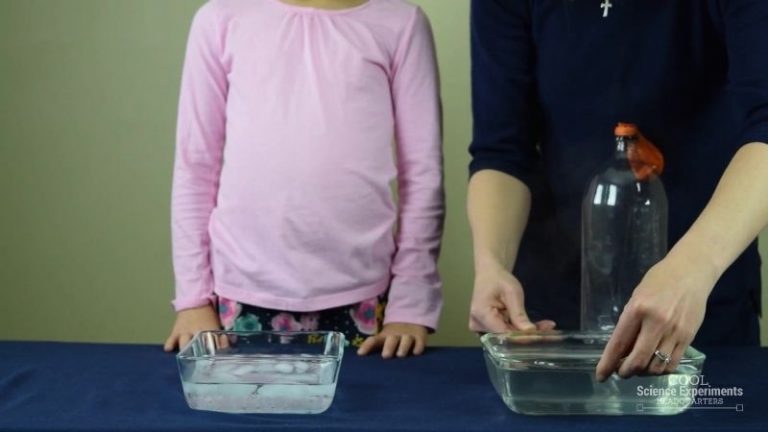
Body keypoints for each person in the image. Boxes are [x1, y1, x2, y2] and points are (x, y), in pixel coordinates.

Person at [467, 0, 768, 380]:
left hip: (703, 295)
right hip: (551, 320)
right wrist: (491, 264)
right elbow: (502, 150)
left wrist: (692, 269)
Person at [164, 0, 444, 359]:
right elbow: (194, 167)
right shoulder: (221, 19)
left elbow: (422, 171)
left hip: (365, 297)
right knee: (247, 413)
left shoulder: (401, 23)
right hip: (239, 294)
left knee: (362, 412)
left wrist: (411, 303)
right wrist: (194, 299)